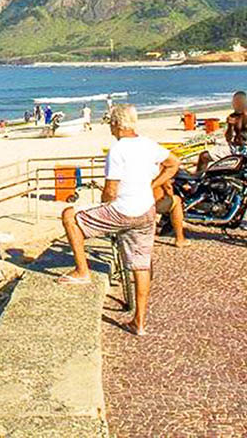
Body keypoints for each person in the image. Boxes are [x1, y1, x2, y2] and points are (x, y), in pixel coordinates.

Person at [58, 103, 179, 336]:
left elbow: (111, 192)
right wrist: (151, 185)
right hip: (146, 211)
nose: (110, 128)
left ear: (116, 124)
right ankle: (139, 322)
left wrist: (103, 202)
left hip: (123, 211)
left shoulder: (117, 150)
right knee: (141, 264)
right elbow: (173, 163)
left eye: (110, 124)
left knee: (69, 216)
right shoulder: (148, 144)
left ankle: (82, 271)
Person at [194, 91, 247, 174]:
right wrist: (230, 126)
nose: (236, 105)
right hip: (234, 147)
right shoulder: (233, 116)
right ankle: (198, 178)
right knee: (204, 156)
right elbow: (228, 138)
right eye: (235, 103)